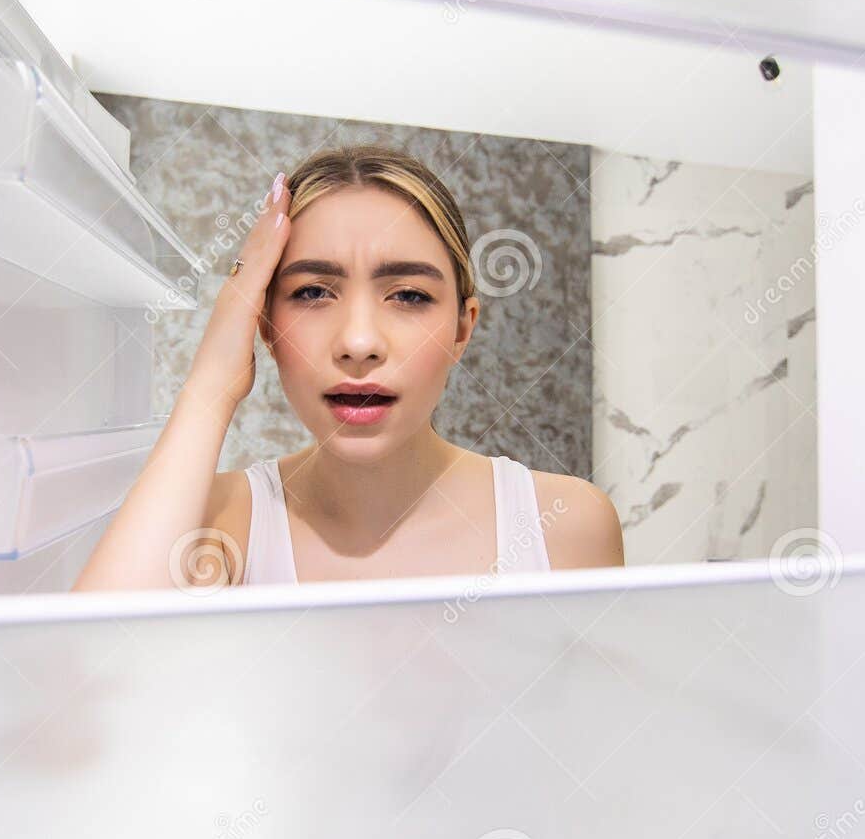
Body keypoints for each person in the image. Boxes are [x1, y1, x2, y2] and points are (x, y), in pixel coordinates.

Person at [72, 143, 624, 591]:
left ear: (463, 326)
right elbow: (80, 683)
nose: (359, 343)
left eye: (408, 295)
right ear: (264, 326)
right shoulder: (218, 523)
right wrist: (211, 385)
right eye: (312, 292)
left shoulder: (564, 523)